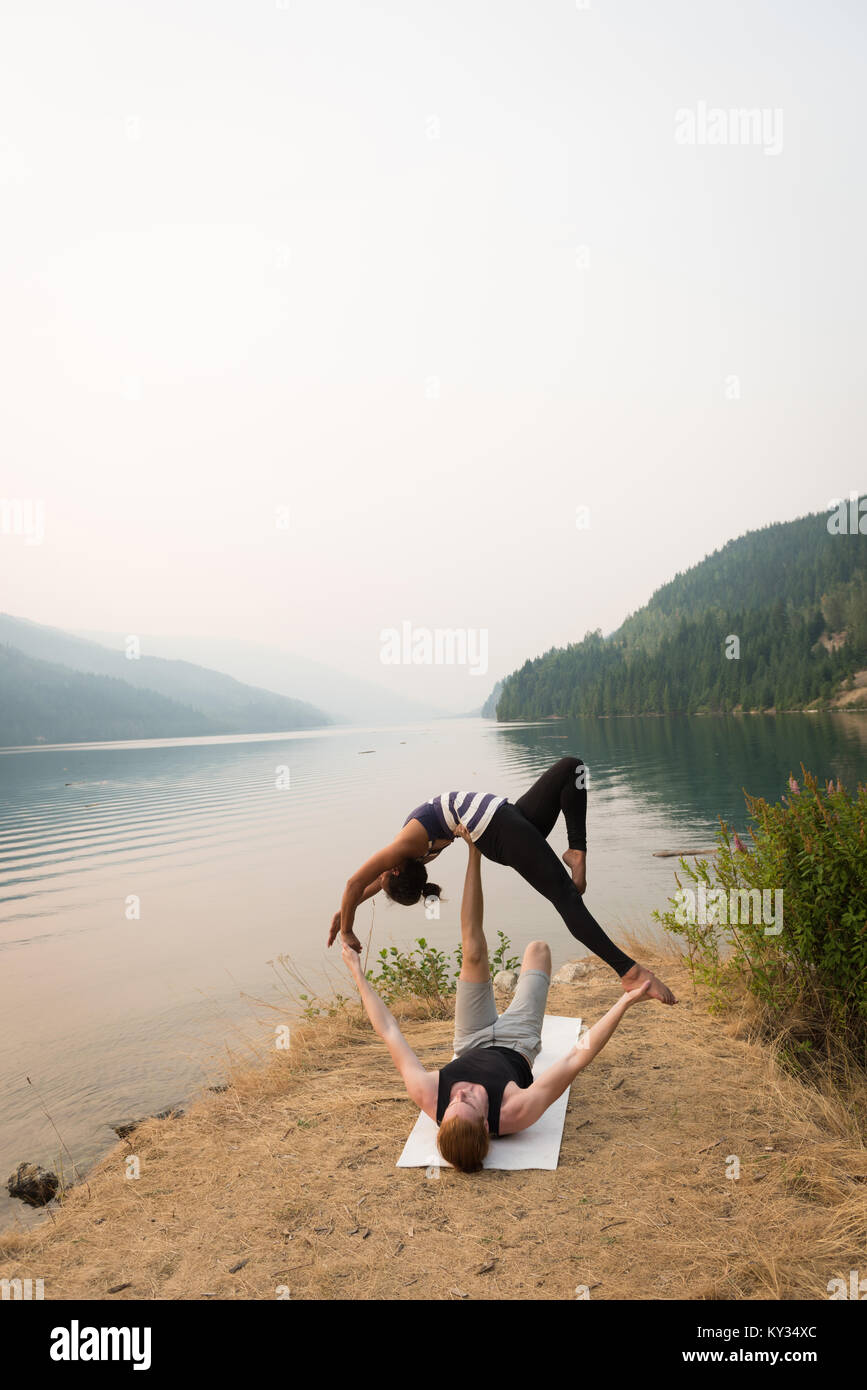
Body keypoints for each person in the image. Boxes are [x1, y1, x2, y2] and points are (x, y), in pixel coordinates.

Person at [341, 829, 653, 1173]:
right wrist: (626, 1001)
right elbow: (576, 1058)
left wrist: (357, 973)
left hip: (470, 1038)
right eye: (469, 1102)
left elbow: (388, 1030)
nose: (460, 1093)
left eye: (453, 1103)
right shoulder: (516, 1112)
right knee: (538, 949)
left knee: (473, 952)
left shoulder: (429, 1094)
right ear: (487, 1123)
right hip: (518, 1043)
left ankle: (475, 852)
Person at [329, 755, 676, 1005]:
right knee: (566, 898)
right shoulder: (407, 849)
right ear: (395, 870)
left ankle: (576, 851)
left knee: (573, 768)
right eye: (383, 876)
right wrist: (347, 924)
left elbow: (360, 886)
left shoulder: (411, 853)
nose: (379, 874)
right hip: (500, 833)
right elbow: (357, 884)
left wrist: (346, 916)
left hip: (510, 815)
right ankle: (630, 973)